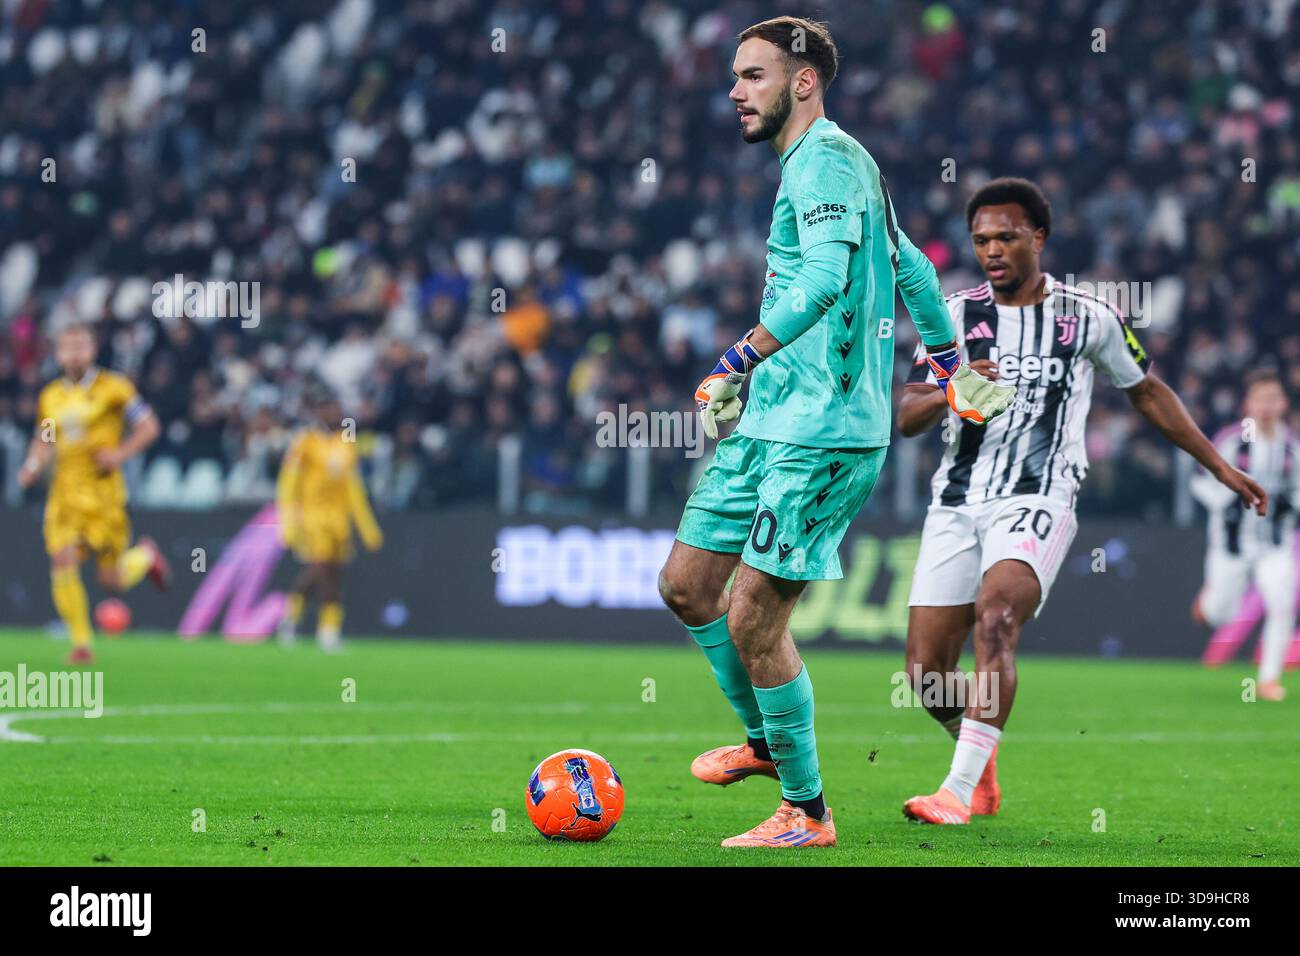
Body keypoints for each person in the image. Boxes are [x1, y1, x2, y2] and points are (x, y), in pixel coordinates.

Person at [656, 17, 1012, 849]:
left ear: (803, 80)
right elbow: (914, 268)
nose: (735, 92)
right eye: (736, 77)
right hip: (772, 420)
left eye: (752, 76)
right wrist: (954, 367)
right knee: (686, 584)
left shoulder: (825, 160)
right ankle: (764, 745)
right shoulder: (840, 165)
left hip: (824, 432)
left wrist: (737, 356)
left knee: (752, 617)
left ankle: (806, 812)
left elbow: (820, 279)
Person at [896, 177, 1267, 824]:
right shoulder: (951, 316)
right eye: (981, 240)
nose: (992, 251)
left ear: (1038, 237)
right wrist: (951, 393)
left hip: (1042, 493)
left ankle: (954, 792)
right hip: (957, 500)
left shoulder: (1088, 316)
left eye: (1006, 237)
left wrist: (1220, 467)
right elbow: (906, 415)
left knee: (997, 619)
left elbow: (1147, 392)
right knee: (926, 676)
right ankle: (979, 764)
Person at [18, 324, 170, 665]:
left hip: (104, 497)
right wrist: (31, 464)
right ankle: (81, 644)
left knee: (111, 580)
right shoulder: (51, 397)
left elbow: (149, 427)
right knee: (62, 558)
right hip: (65, 496)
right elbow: (45, 438)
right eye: (66, 347)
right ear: (57, 354)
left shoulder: (115, 389)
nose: (73, 353)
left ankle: (144, 557)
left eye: (80, 346)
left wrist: (120, 454)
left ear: (92, 350)